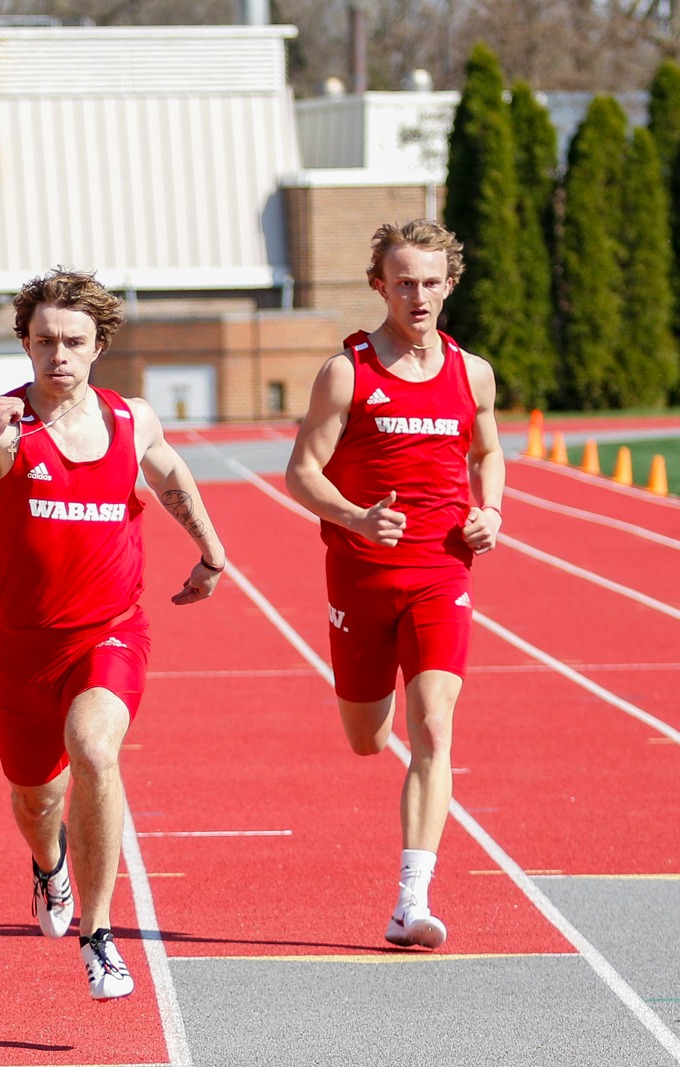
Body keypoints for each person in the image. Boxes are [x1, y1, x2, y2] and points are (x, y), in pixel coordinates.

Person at [0, 268, 227, 1000]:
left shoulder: (130, 419)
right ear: (25, 343)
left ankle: (100, 933)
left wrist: (211, 552)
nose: (60, 354)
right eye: (46, 340)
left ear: (98, 345)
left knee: (93, 749)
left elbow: (169, 473)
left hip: (111, 631)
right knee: (35, 799)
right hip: (23, 645)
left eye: (74, 341)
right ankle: (49, 864)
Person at [285, 220, 504, 950]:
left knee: (434, 724)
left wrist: (490, 511)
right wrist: (355, 517)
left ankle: (412, 899)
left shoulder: (472, 373)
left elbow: (489, 451)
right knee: (367, 737)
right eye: (404, 281)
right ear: (380, 286)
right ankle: (369, 718)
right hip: (362, 574)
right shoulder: (346, 372)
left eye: (431, 282)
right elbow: (301, 472)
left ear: (450, 285)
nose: (418, 295)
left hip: (443, 570)